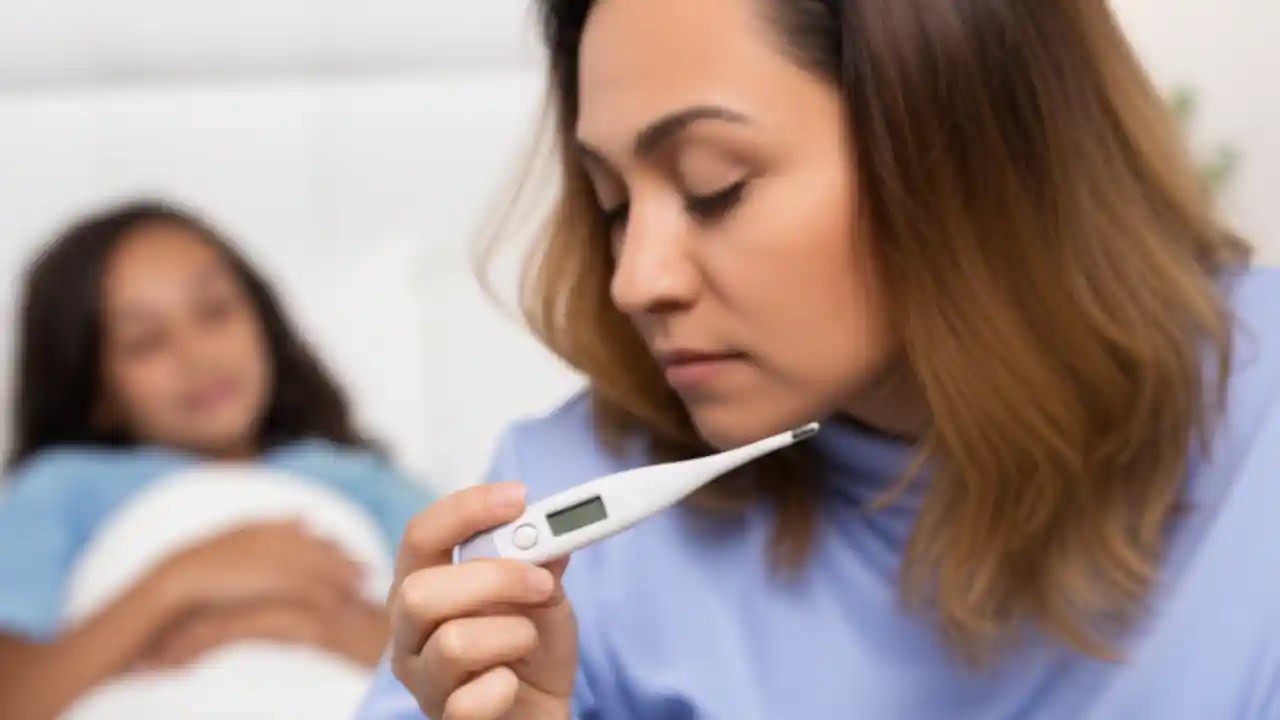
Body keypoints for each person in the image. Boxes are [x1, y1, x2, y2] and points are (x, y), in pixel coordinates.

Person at [365, 0, 1280, 718]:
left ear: (962, 140)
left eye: (712, 187)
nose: (634, 281)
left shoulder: (1260, 428)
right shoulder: (554, 524)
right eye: (611, 205)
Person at [0, 200, 432, 719]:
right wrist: (178, 582)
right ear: (98, 391)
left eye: (215, 311)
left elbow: (480, 658)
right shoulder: (59, 489)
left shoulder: (363, 483)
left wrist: (311, 625)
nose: (196, 356)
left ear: (263, 322)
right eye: (145, 342)